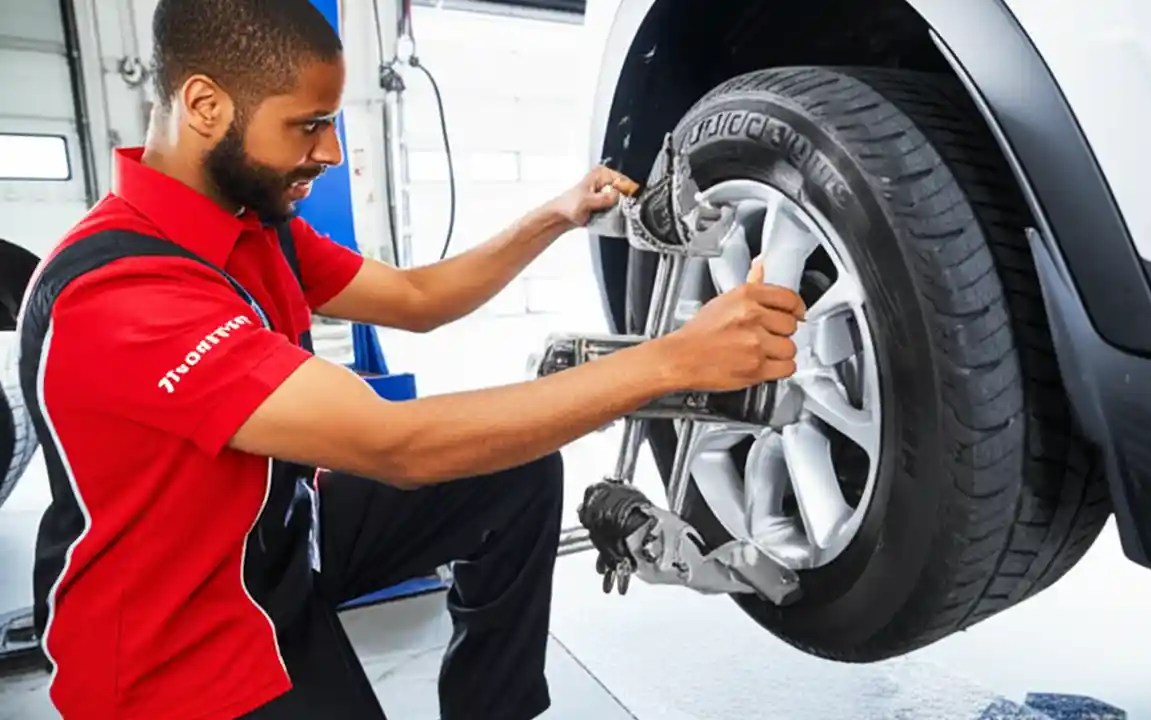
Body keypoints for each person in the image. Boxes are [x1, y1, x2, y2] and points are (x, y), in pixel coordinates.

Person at [17, 1, 805, 718]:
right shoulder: (121, 294)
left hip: (276, 536)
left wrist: (557, 215)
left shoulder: (254, 228)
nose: (329, 149)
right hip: (176, 642)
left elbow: (421, 299)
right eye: (308, 124)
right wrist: (673, 363)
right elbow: (397, 445)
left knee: (513, 474)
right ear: (204, 105)